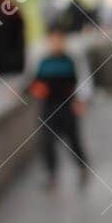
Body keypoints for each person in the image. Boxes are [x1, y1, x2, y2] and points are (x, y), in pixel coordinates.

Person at [28, 18, 91, 190]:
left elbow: (82, 82)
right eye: (53, 39)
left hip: (67, 105)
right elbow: (34, 83)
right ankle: (51, 175)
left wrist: (81, 101)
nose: (56, 43)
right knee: (47, 141)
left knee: (73, 139)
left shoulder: (71, 60)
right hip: (48, 107)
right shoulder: (43, 62)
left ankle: (82, 166)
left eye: (59, 39)